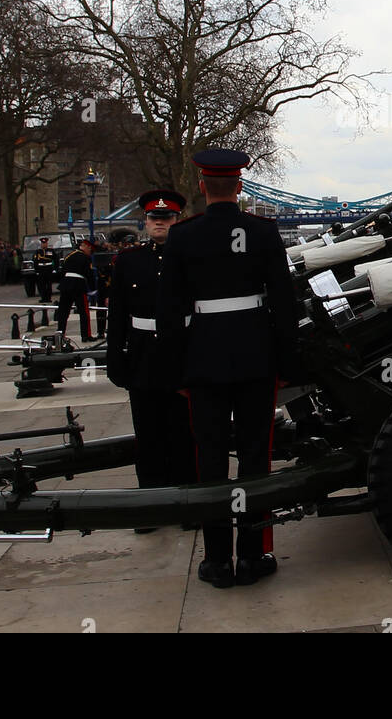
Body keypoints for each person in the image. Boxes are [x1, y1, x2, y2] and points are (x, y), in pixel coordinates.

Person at [159, 149, 299, 588]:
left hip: (204, 360)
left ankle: (218, 561)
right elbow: (284, 305)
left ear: (201, 186)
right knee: (257, 458)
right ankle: (253, 557)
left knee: (211, 459)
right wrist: (287, 363)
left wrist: (177, 374)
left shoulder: (182, 236)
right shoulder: (263, 232)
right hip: (256, 357)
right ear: (240, 187)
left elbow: (168, 315)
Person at [106, 191, 196, 528]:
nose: (161, 223)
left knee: (185, 434)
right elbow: (117, 316)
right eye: (155, 219)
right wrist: (114, 358)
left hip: (181, 353)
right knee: (148, 436)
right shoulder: (128, 261)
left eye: (168, 218)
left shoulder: (190, 258)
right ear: (145, 222)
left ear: (177, 221)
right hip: (142, 355)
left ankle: (189, 504)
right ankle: (151, 505)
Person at [55, 237, 96, 342]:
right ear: (86, 247)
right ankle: (86, 335)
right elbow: (89, 274)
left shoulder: (69, 255)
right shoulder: (86, 258)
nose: (90, 252)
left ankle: (60, 334)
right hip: (78, 285)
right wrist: (93, 289)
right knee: (84, 312)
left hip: (66, 284)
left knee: (63, 312)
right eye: (90, 249)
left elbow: (62, 270)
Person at [33, 236, 55, 304]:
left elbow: (55, 259)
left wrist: (55, 268)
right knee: (41, 285)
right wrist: (36, 270)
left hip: (48, 269)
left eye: (45, 243)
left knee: (48, 284)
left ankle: (48, 298)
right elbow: (35, 261)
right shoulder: (38, 252)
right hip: (41, 269)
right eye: (43, 243)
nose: (44, 245)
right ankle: (43, 298)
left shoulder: (51, 251)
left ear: (47, 244)